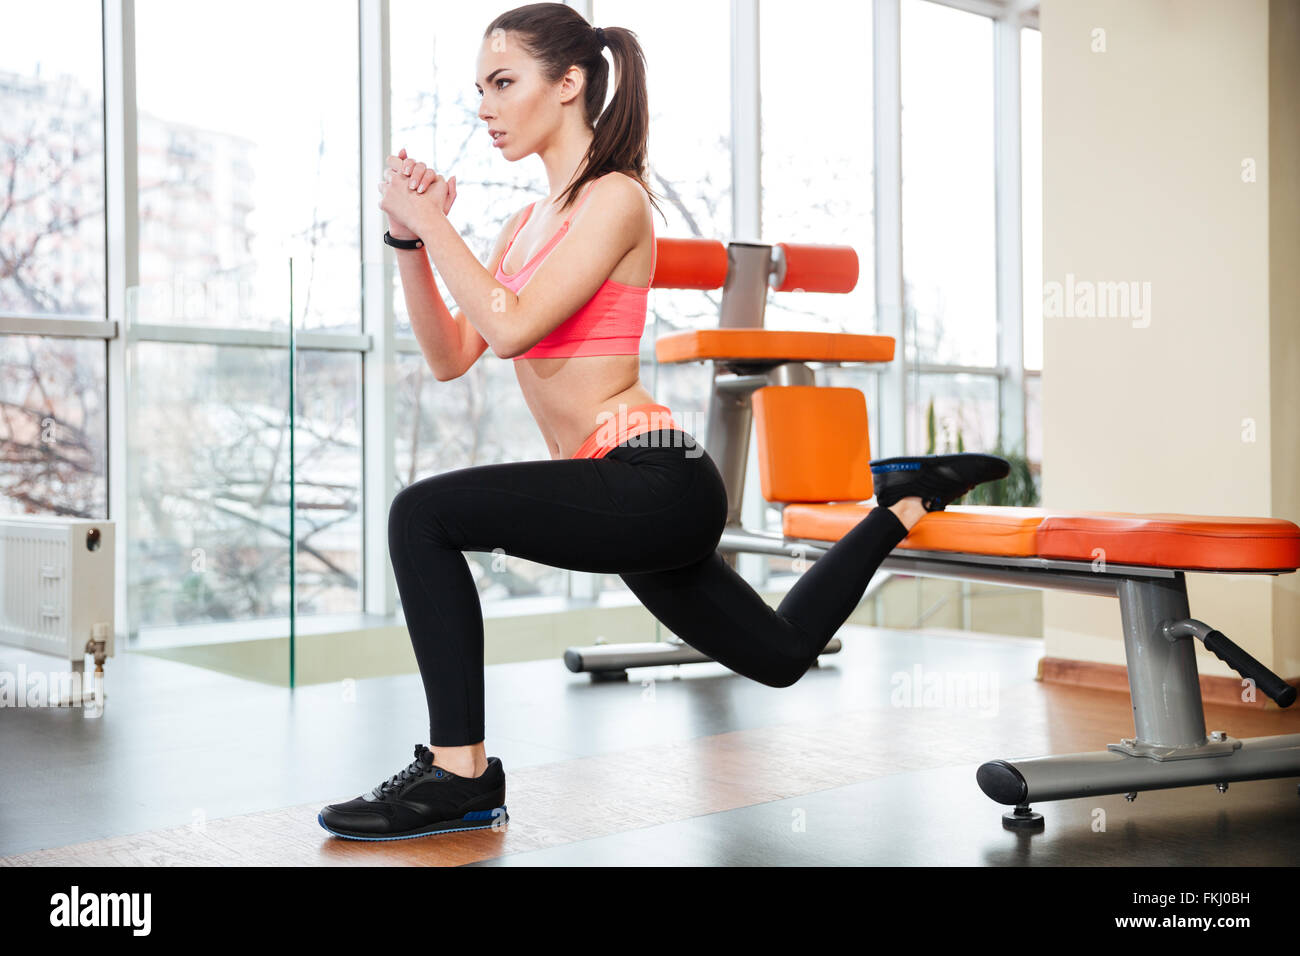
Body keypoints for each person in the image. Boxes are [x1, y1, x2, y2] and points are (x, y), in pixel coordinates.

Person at [318, 2, 1008, 841]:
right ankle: (904, 499)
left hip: (655, 476)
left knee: (420, 515)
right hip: (620, 493)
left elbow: (510, 327)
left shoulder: (617, 199)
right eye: (480, 89)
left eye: (504, 83)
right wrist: (408, 243)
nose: (485, 107)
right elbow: (450, 353)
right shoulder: (517, 226)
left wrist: (435, 222)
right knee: (783, 656)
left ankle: (459, 774)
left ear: (569, 83)